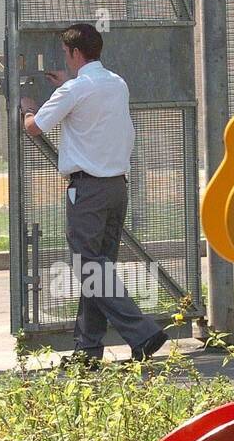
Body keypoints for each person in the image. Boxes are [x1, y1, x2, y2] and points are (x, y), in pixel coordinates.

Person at [21, 22, 168, 368]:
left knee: (89, 268)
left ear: (74, 53)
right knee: (98, 270)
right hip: (117, 187)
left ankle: (144, 333)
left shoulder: (73, 90)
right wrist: (68, 87)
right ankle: (88, 350)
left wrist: (28, 106)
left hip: (87, 190)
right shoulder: (116, 84)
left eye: (66, 53)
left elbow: (34, 127)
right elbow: (91, 105)